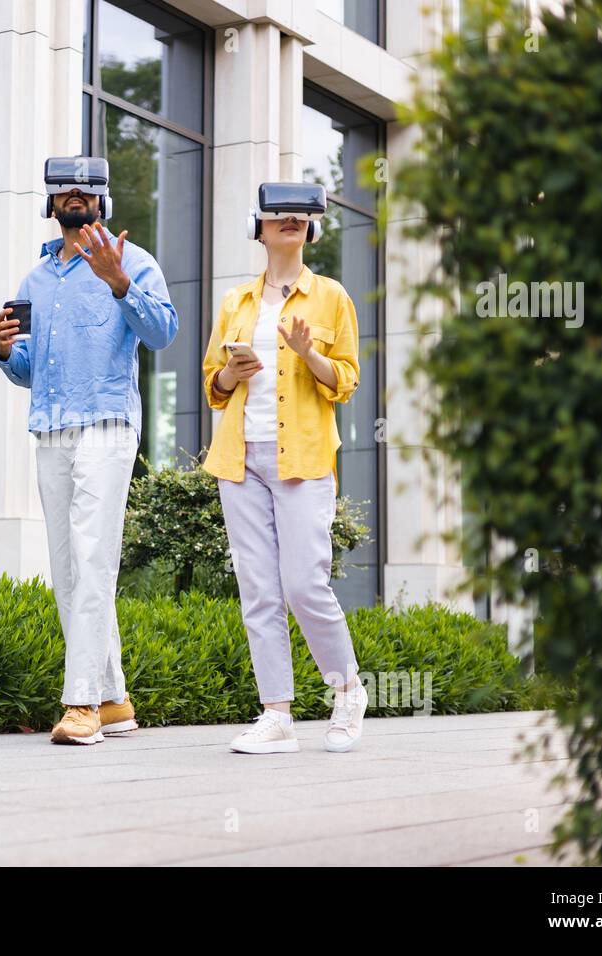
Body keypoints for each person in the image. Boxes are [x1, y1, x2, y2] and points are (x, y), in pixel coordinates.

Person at [0, 156, 178, 745]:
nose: (75, 196)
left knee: (95, 558)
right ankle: (114, 696)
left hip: (106, 427)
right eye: (64, 189)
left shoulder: (135, 262)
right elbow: (28, 371)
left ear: (102, 199)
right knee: (68, 572)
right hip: (50, 430)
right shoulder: (35, 280)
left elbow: (163, 334)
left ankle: (81, 707)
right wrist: (4, 353)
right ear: (52, 202)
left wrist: (120, 285)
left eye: (86, 188)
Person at [201, 182, 369, 754]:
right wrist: (233, 372)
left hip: (302, 459)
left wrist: (307, 355)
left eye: (300, 218)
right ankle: (276, 714)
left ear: (311, 229)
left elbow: (344, 381)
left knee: (303, 584)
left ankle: (347, 691)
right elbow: (212, 387)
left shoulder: (330, 297)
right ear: (260, 228)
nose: (290, 223)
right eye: (279, 218)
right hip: (240, 460)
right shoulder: (235, 304)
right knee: (259, 592)